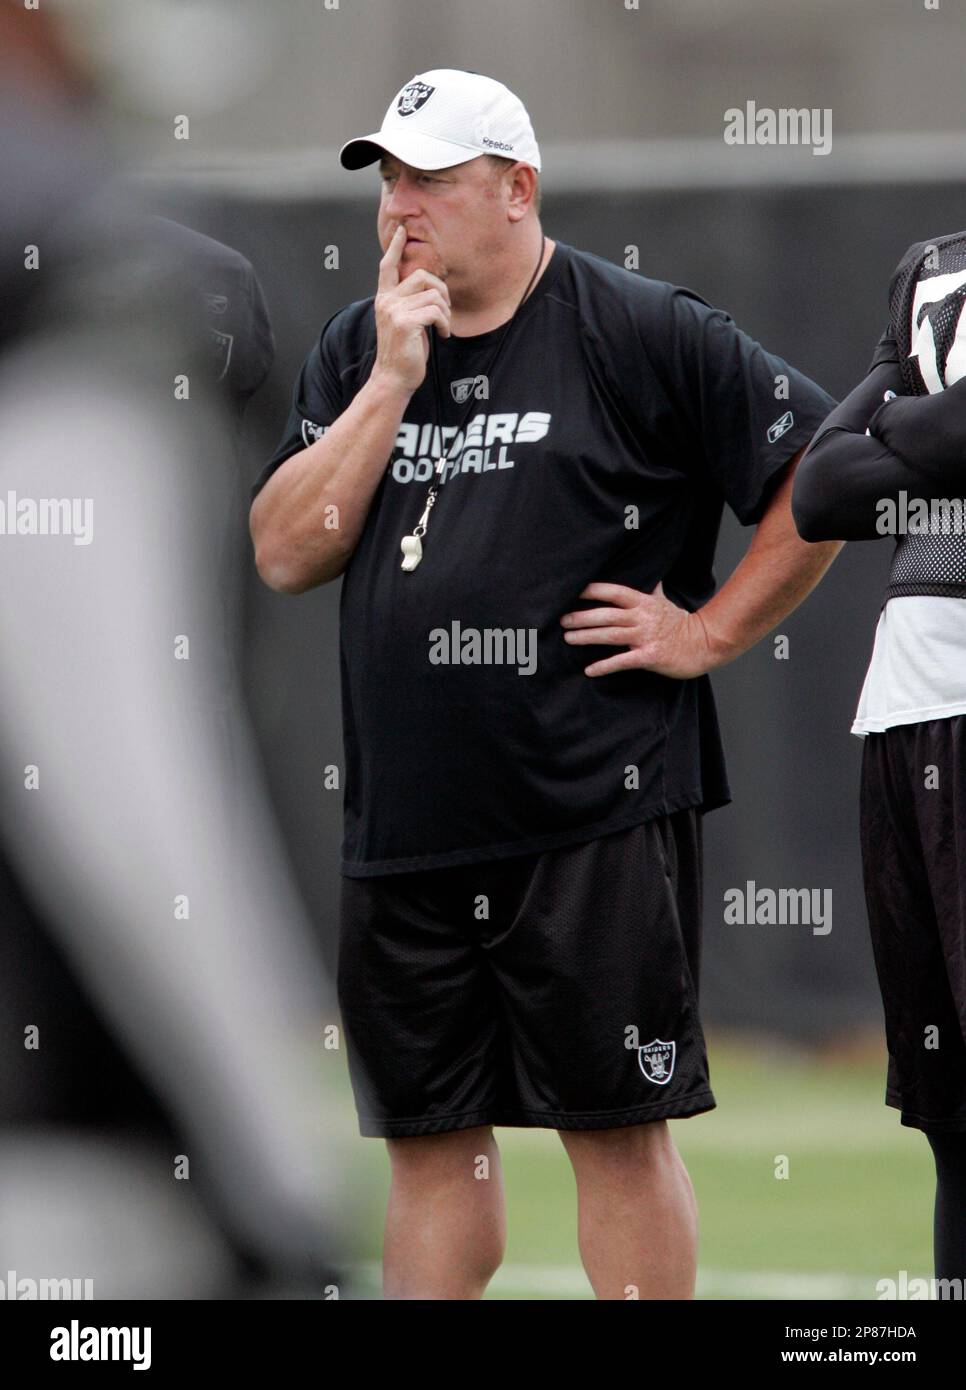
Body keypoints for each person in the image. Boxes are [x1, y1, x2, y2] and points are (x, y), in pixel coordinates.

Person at [250, 67, 840, 1300]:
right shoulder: (363, 349)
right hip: (407, 825)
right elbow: (286, 548)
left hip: (591, 813)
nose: (400, 208)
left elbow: (822, 472)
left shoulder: (636, 325)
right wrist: (391, 384)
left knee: (614, 1134)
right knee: (428, 1149)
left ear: (516, 188)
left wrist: (713, 631)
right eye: (388, 180)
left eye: (432, 179)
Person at [793, 231, 966, 1294]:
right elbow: (821, 488)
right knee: (953, 1110)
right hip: (907, 707)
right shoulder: (934, 263)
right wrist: (919, 423)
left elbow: (949, 428)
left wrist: (902, 412)